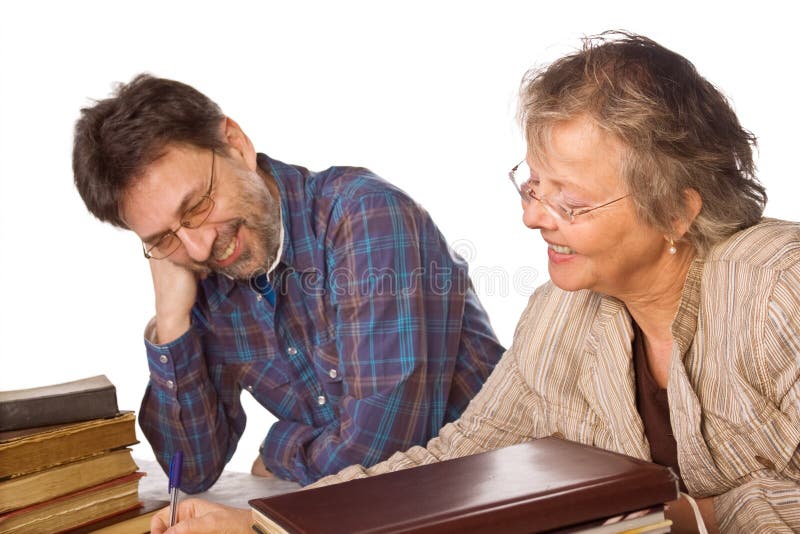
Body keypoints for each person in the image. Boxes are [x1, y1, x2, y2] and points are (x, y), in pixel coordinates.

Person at [151, 32, 800, 533]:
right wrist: (268, 525)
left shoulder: (780, 290)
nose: (531, 217)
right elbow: (463, 455)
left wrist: (692, 518)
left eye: (569, 202)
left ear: (678, 211)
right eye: (533, 185)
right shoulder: (558, 314)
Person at [72, 75, 505, 491]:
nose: (199, 248)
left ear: (236, 145)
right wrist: (171, 320)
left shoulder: (363, 214)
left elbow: (381, 457)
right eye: (163, 238)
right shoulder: (203, 276)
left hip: (491, 492)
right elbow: (188, 473)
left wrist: (281, 449)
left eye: (197, 206)